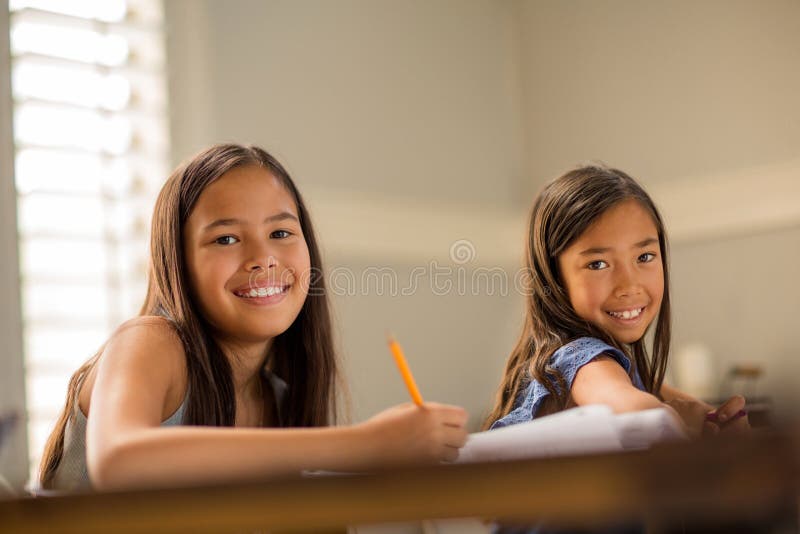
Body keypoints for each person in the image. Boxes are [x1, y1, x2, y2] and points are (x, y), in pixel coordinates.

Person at [39, 144, 467, 492]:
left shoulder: (277, 398)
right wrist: (364, 445)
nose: (262, 258)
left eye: (280, 233)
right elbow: (119, 461)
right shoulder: (151, 342)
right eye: (226, 238)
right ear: (178, 263)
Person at [483, 165, 749, 534]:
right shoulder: (582, 360)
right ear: (553, 279)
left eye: (644, 257)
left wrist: (706, 418)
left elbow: (662, 400)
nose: (629, 284)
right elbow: (636, 410)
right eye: (598, 263)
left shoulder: (569, 363)